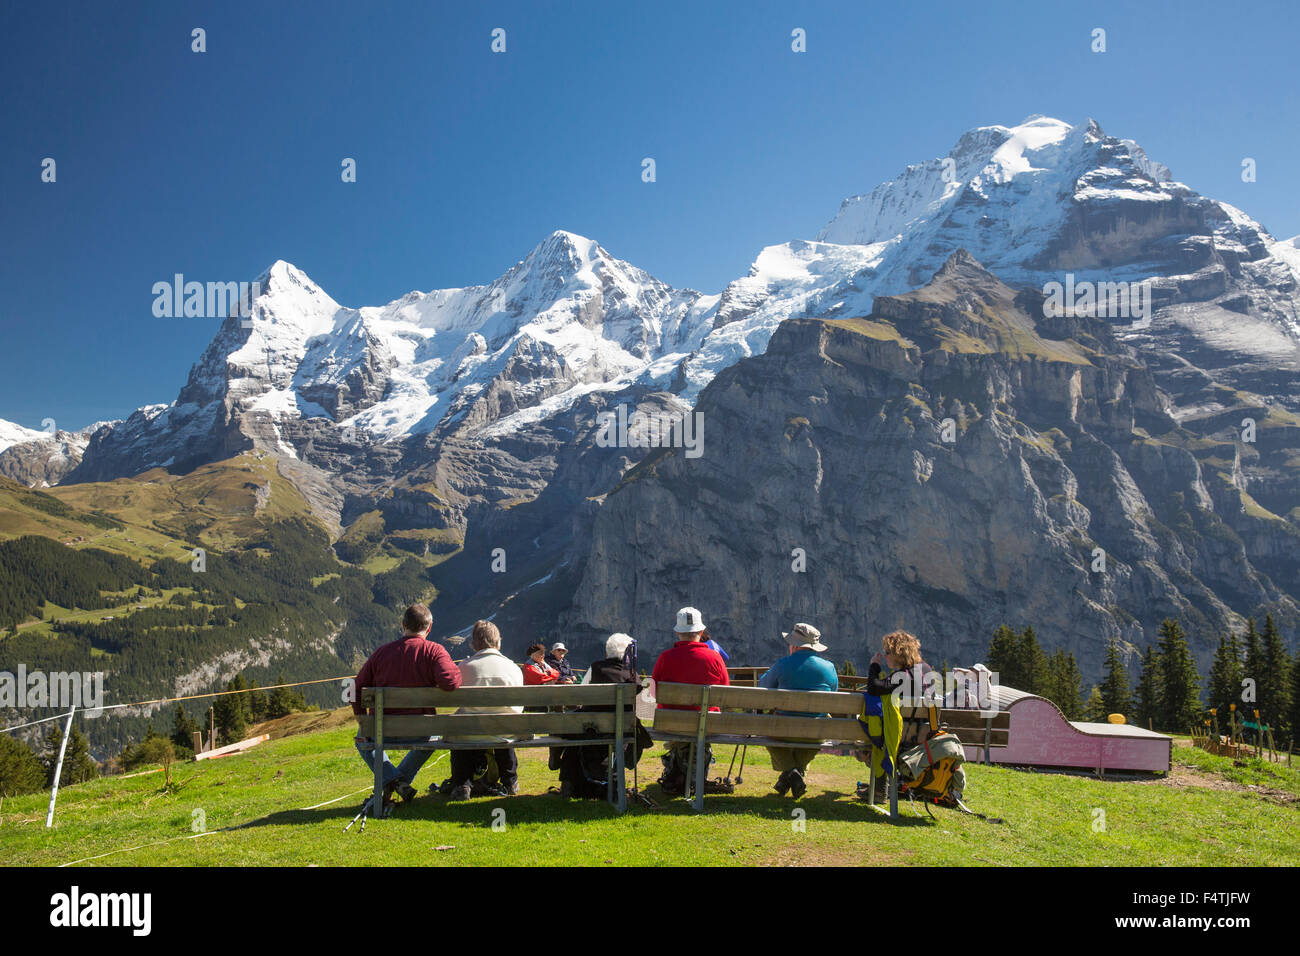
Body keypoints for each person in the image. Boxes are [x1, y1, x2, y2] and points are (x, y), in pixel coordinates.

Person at [352, 603, 462, 805]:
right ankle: (398, 782)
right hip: (422, 731)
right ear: (429, 628)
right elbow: (450, 682)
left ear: (403, 625)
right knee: (436, 733)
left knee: (362, 737)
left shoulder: (382, 653)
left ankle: (392, 781)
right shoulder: (435, 651)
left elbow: (355, 690)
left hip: (382, 730)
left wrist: (363, 720)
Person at [556, 632, 653, 798]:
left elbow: (580, 697)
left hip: (591, 729)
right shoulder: (632, 675)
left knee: (574, 730)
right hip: (621, 732)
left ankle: (569, 782)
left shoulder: (595, 668)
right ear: (627, 655)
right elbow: (641, 707)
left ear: (607, 653)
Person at [650, 607, 730, 795]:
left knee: (681, 736)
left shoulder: (665, 658)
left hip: (671, 723)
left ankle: (678, 773)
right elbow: (725, 691)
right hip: (708, 723)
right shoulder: (715, 658)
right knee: (699, 728)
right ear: (701, 632)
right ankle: (695, 776)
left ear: (678, 633)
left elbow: (654, 693)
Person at [445, 620, 524, 800]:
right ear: (498, 641)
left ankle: (462, 783)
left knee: (460, 728)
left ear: (474, 643)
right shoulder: (513, 668)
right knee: (503, 724)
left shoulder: (465, 666)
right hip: (507, 732)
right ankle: (510, 780)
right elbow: (518, 708)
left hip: (470, 733)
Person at [758, 623, 838, 799]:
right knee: (824, 719)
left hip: (782, 731)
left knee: (765, 727)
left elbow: (762, 688)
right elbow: (833, 696)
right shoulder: (829, 668)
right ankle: (797, 773)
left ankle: (791, 771)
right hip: (815, 732)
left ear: (793, 645)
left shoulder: (782, 664)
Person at [857, 629, 929, 802]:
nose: (885, 656)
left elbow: (874, 688)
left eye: (888, 652)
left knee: (875, 739)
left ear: (899, 654)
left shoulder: (902, 676)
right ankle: (882, 787)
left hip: (897, 737)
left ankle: (880, 789)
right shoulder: (923, 671)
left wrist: (874, 665)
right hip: (917, 734)